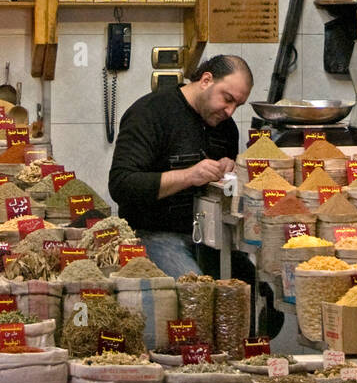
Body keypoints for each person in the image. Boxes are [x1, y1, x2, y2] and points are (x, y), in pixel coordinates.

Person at [107, 54, 253, 280]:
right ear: (206, 80)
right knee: (194, 293)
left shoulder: (226, 128)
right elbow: (121, 185)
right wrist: (189, 176)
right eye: (227, 99)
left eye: (237, 105)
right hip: (151, 233)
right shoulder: (150, 113)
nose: (230, 111)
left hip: (209, 236)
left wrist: (229, 173)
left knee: (256, 291)